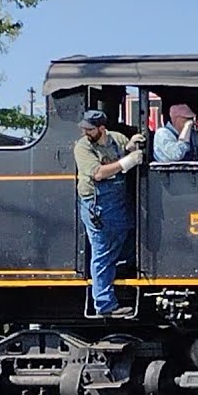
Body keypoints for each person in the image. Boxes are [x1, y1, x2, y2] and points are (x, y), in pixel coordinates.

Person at [73, 109, 144, 318]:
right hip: (97, 204)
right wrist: (127, 162)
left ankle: (120, 277)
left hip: (119, 203)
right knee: (101, 253)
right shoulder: (82, 147)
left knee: (130, 238)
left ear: (101, 129)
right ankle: (104, 304)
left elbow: (124, 148)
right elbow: (98, 173)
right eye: (84, 128)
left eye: (89, 128)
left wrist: (132, 145)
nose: (85, 131)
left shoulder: (116, 138)